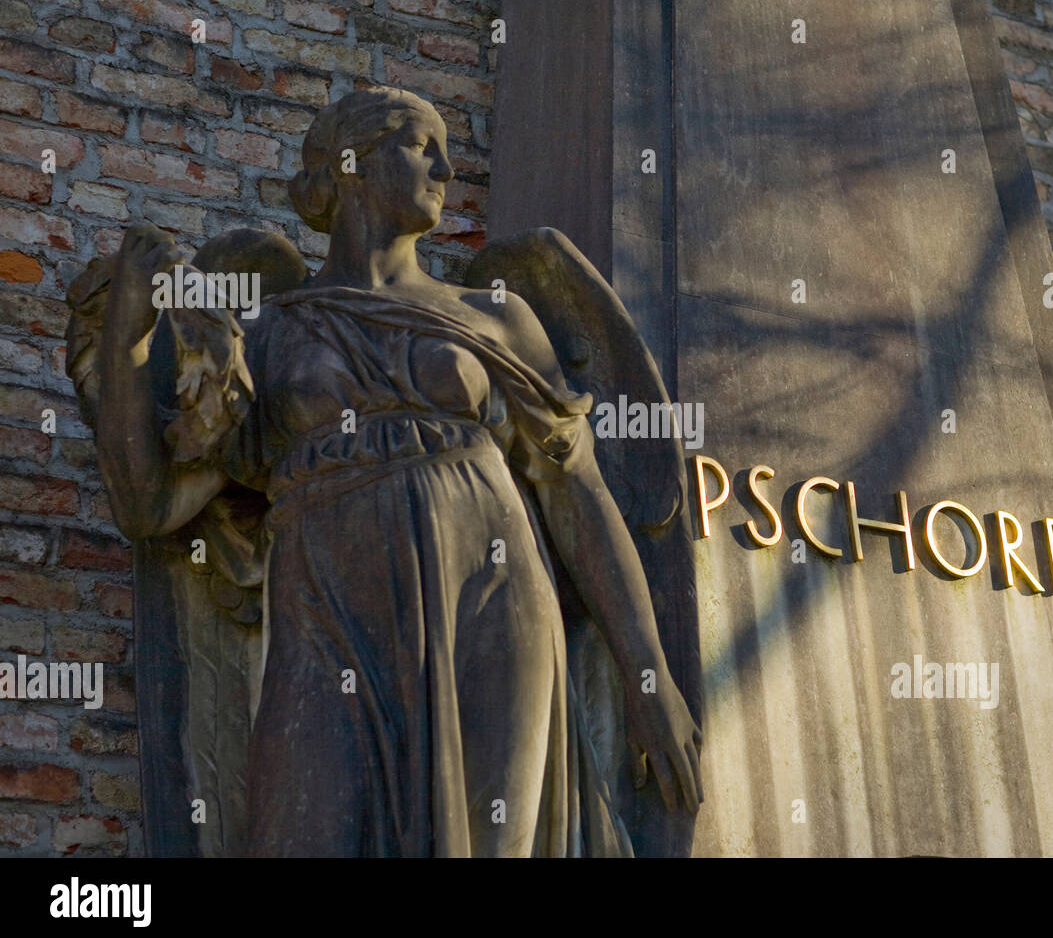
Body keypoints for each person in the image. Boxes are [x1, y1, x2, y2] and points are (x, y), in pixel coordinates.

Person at [94, 86, 701, 856]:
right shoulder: (269, 331)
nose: (446, 167)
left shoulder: (496, 315)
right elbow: (148, 507)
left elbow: (576, 493)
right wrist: (127, 334)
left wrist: (648, 678)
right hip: (326, 616)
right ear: (352, 162)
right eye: (422, 145)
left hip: (492, 601)